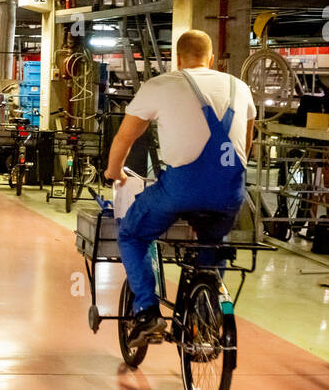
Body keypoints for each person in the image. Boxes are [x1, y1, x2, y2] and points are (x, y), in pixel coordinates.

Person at [103, 30, 256, 347]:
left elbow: (125, 138)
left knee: (132, 234)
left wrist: (114, 171)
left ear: (177, 58)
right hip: (231, 192)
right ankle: (204, 321)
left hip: (180, 189)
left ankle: (147, 311)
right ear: (212, 59)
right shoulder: (239, 87)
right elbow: (248, 144)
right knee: (213, 245)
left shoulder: (160, 85)